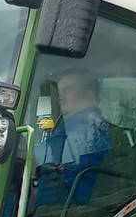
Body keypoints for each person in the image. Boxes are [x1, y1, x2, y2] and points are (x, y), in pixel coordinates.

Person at [33, 70, 111, 206]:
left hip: (69, 207)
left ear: (88, 94)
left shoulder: (91, 129)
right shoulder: (70, 128)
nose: (60, 97)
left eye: (67, 90)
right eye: (59, 92)